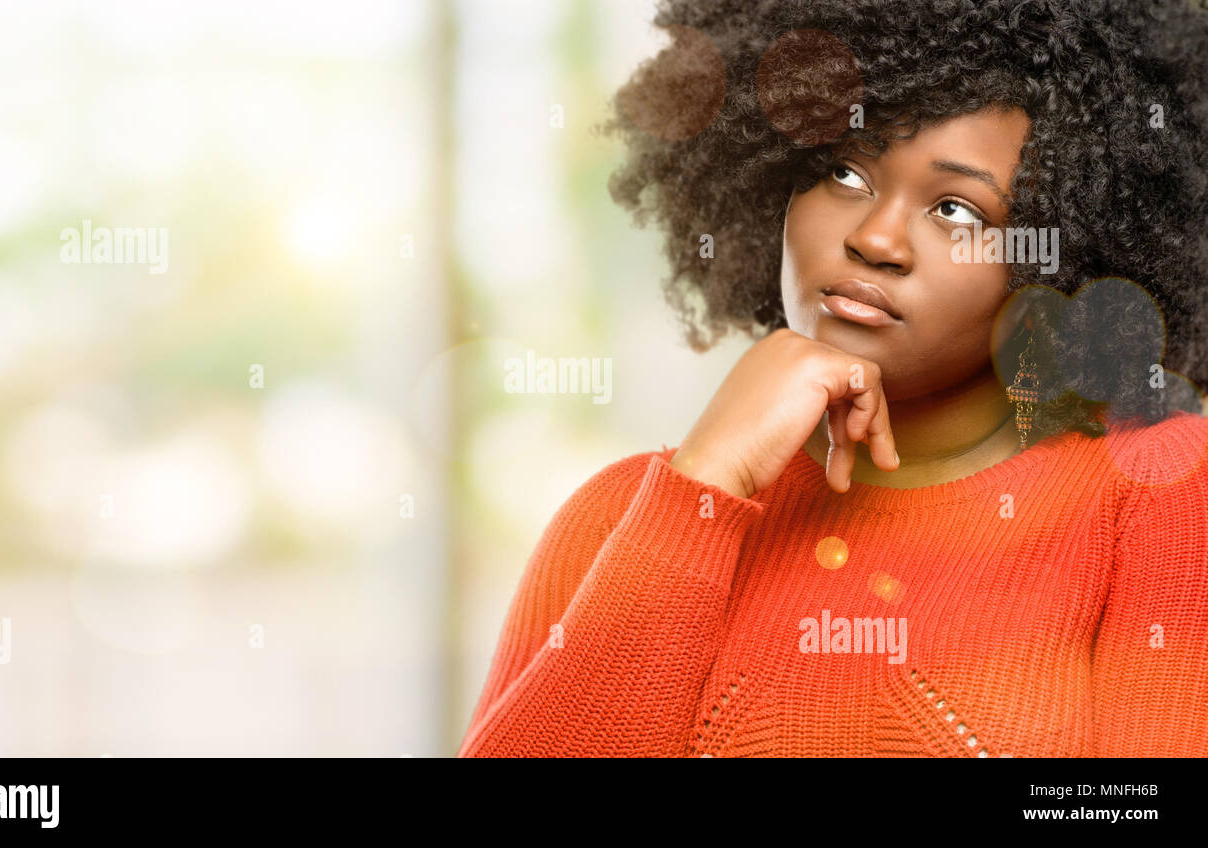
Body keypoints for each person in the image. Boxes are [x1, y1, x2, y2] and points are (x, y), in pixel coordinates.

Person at [458, 0, 1208, 757]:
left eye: (956, 209)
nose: (875, 238)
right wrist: (705, 489)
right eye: (842, 171)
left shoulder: (1155, 495)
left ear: (1070, 250)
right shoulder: (618, 522)